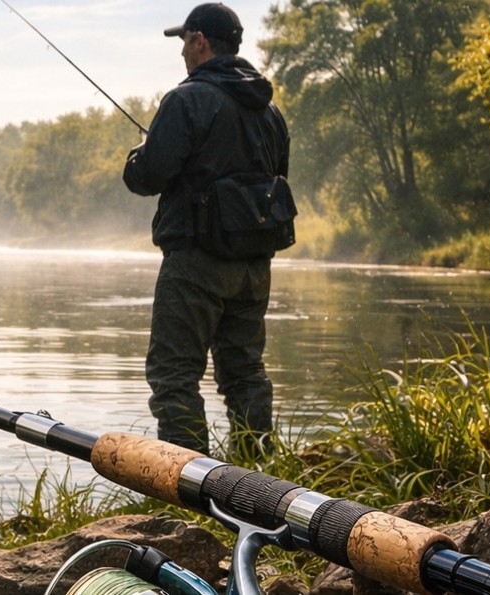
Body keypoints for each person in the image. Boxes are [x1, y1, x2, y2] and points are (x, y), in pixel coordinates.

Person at [123, 3, 289, 458]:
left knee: (174, 374)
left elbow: (147, 176)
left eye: (184, 41)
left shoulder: (186, 100)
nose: (181, 52)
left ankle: (187, 483)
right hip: (253, 266)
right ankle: (258, 475)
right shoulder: (270, 110)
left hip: (196, 261)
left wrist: (140, 152)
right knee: (245, 372)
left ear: (199, 41)